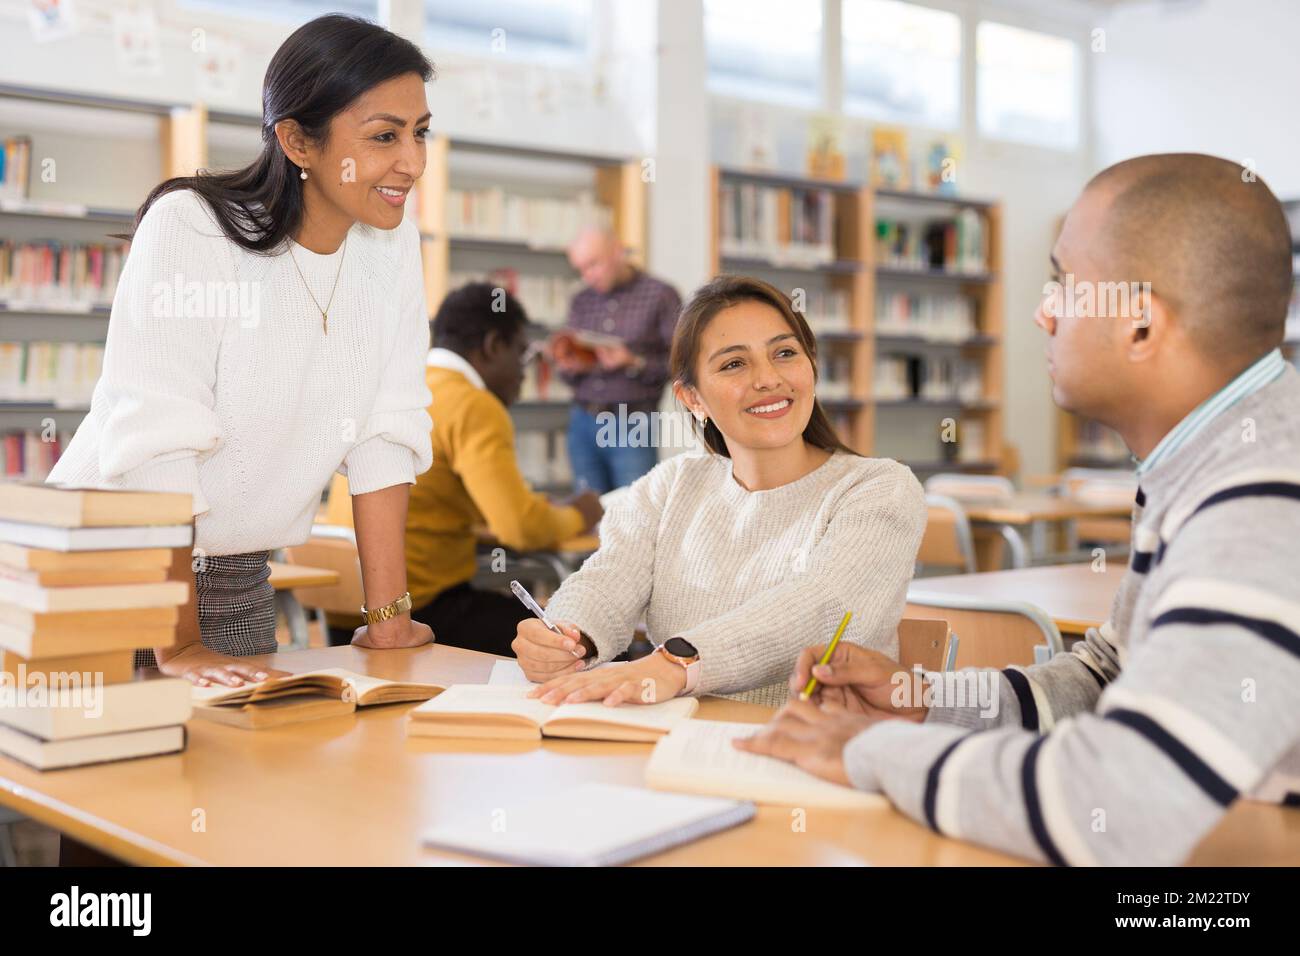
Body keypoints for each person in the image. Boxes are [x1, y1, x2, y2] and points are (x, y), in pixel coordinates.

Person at [738, 153, 1300, 866]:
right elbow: (1108, 679)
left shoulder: (1263, 497)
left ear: (1139, 325)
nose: (1045, 310)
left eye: (1065, 282)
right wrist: (923, 700)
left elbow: (1114, 806)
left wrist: (876, 750)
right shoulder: (1209, 457)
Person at [47, 15, 437, 686]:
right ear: (296, 141)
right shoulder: (191, 229)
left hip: (237, 575)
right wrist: (177, 646)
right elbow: (158, 439)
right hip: (107, 572)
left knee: (251, 780)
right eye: (383, 136)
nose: (413, 161)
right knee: (104, 783)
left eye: (420, 132)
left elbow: (386, 428)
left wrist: (388, 616)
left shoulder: (391, 244)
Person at [512, 275, 927, 708]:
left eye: (785, 353)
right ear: (692, 398)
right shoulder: (670, 486)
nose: (768, 378)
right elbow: (609, 578)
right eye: (734, 364)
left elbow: (822, 606)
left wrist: (678, 663)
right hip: (679, 743)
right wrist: (564, 635)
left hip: (814, 750)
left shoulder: (880, 489)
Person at [325, 283, 603, 654]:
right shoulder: (474, 405)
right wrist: (579, 514)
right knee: (571, 640)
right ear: (492, 346)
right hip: (418, 614)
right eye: (521, 355)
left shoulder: (400, 386)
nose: (525, 375)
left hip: (345, 615)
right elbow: (518, 528)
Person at [553, 226, 681, 493]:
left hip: (632, 422)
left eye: (594, 265)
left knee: (635, 514)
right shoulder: (581, 300)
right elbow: (566, 371)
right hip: (583, 419)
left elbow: (682, 363)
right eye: (581, 269)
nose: (588, 276)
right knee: (588, 512)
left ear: (618, 252)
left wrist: (633, 361)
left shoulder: (661, 295)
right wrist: (570, 363)